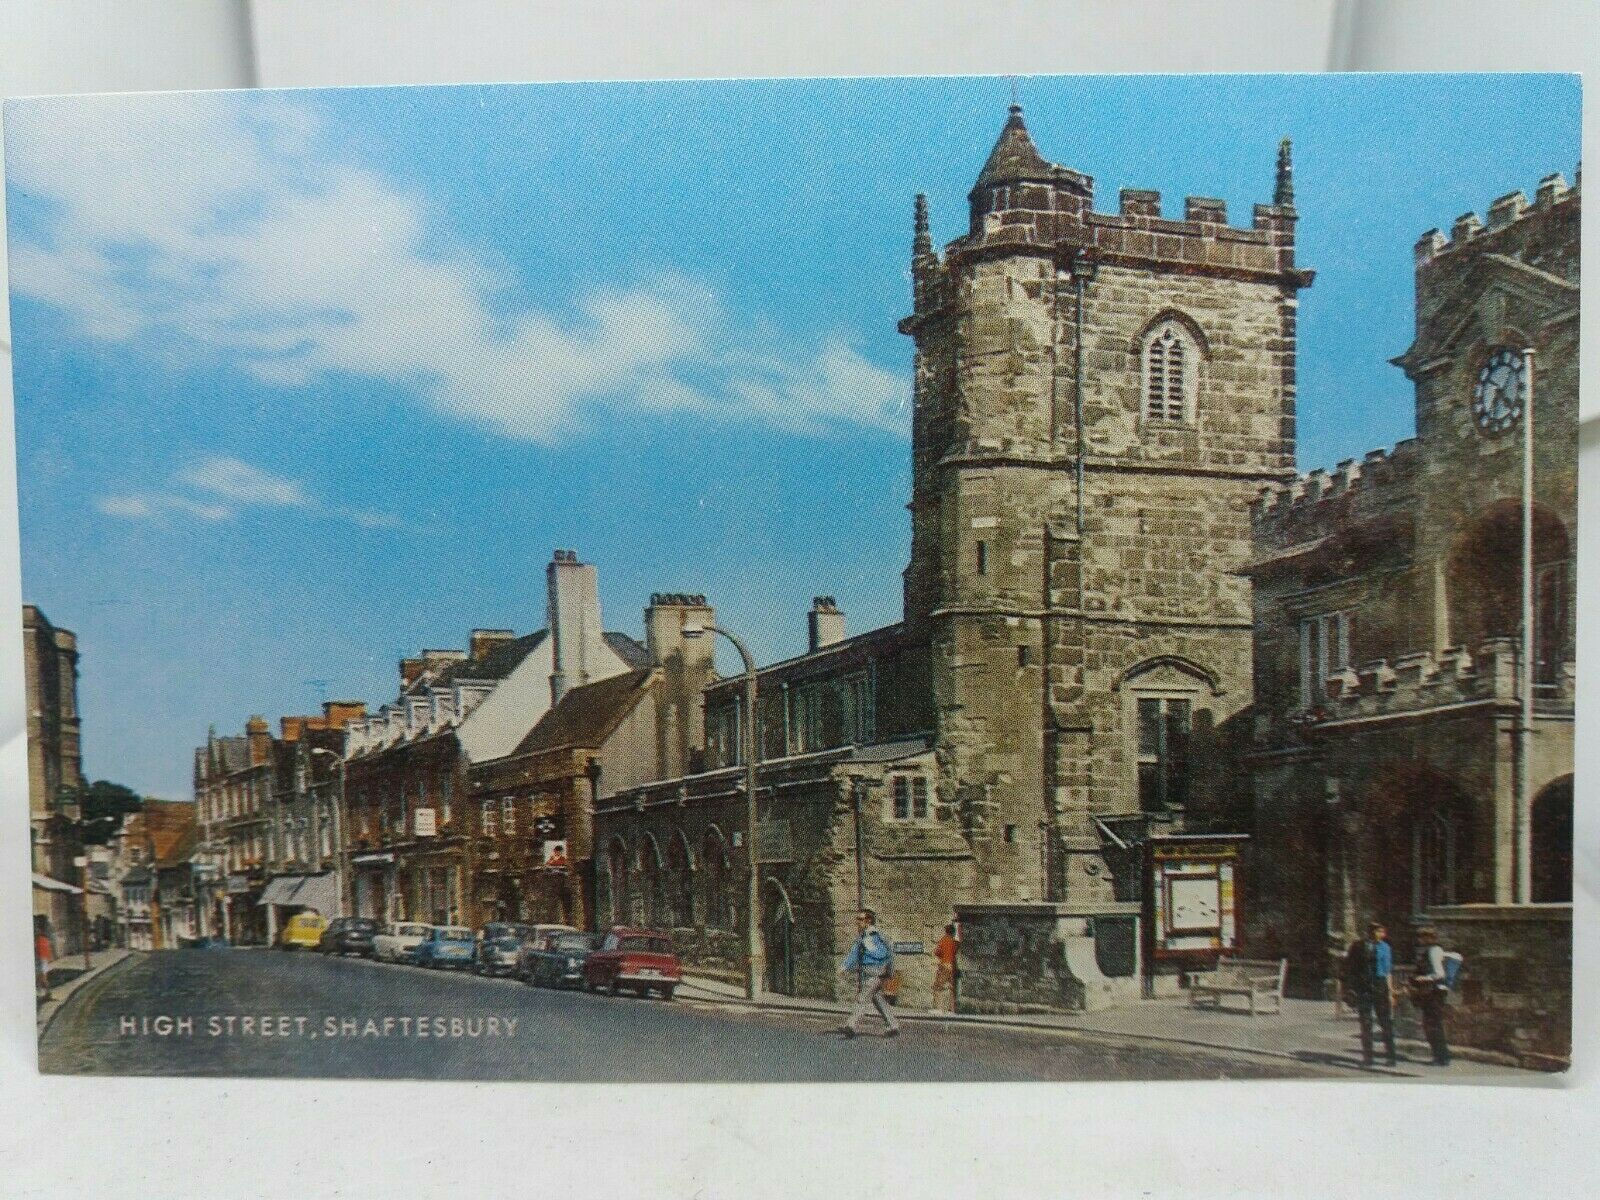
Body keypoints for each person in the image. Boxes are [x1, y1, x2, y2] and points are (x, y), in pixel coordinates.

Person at [1342, 920, 1397, 1067]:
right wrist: (1350, 989)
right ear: (1372, 932)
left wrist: (1390, 992)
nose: (1382, 934)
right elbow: (1349, 968)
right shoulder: (1358, 946)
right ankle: (1368, 1057)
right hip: (1364, 987)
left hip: (1380, 986)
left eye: (1383, 932)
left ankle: (1391, 1056)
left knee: (1385, 1022)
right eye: (1379, 931)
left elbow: (1388, 971)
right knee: (1366, 1023)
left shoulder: (1385, 947)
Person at [838, 908, 899, 1038]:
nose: (857, 922)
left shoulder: (874, 937)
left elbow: (884, 954)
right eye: (857, 919)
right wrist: (845, 966)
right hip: (871, 973)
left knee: (862, 998)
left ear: (868, 921)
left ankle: (850, 1025)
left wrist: (886, 970)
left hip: (875, 973)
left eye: (860, 919)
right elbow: (854, 953)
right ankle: (893, 1025)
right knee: (878, 999)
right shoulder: (865, 937)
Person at [1411, 926, 1460, 1066]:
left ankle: (1441, 1057)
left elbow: (1439, 974)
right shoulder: (1431, 950)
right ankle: (1440, 1056)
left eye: (1421, 937)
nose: (1419, 940)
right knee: (1432, 1025)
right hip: (1434, 992)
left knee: (1433, 1025)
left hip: (1434, 992)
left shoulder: (1433, 951)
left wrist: (1423, 978)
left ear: (1429, 938)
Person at [933, 922, 960, 1013]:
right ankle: (951, 1009)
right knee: (951, 988)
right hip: (952, 966)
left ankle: (938, 1009)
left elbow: (937, 952)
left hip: (944, 965)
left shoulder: (943, 940)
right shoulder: (954, 942)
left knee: (938, 986)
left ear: (946, 931)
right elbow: (955, 953)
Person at [34, 915, 55, 1003]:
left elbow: (40, 949)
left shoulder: (40, 938)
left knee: (42, 977)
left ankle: (47, 993)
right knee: (40, 977)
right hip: (43, 958)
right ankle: (42, 993)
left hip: (41, 959)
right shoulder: (44, 937)